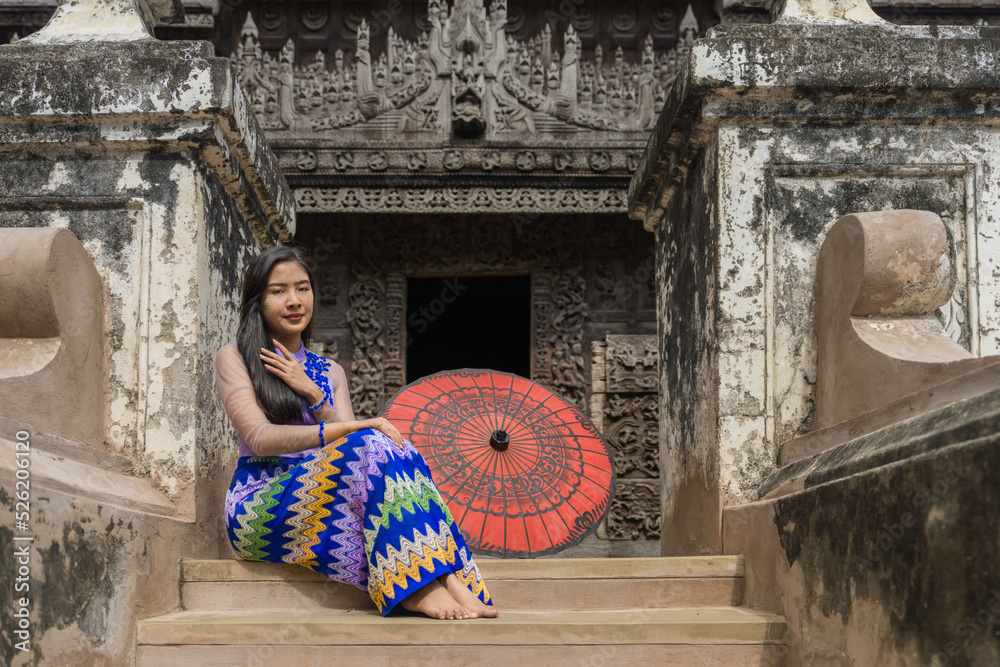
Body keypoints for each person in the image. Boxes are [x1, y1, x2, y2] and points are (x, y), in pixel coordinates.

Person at [214, 245, 497, 620]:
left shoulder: (329, 372)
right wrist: (356, 424)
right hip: (260, 505)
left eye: (303, 288)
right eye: (278, 291)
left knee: (401, 448)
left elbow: (348, 447)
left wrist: (314, 393)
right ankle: (421, 586)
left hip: (322, 496)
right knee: (370, 441)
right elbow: (261, 437)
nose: (294, 300)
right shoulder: (236, 357)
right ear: (258, 300)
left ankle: (443, 578)